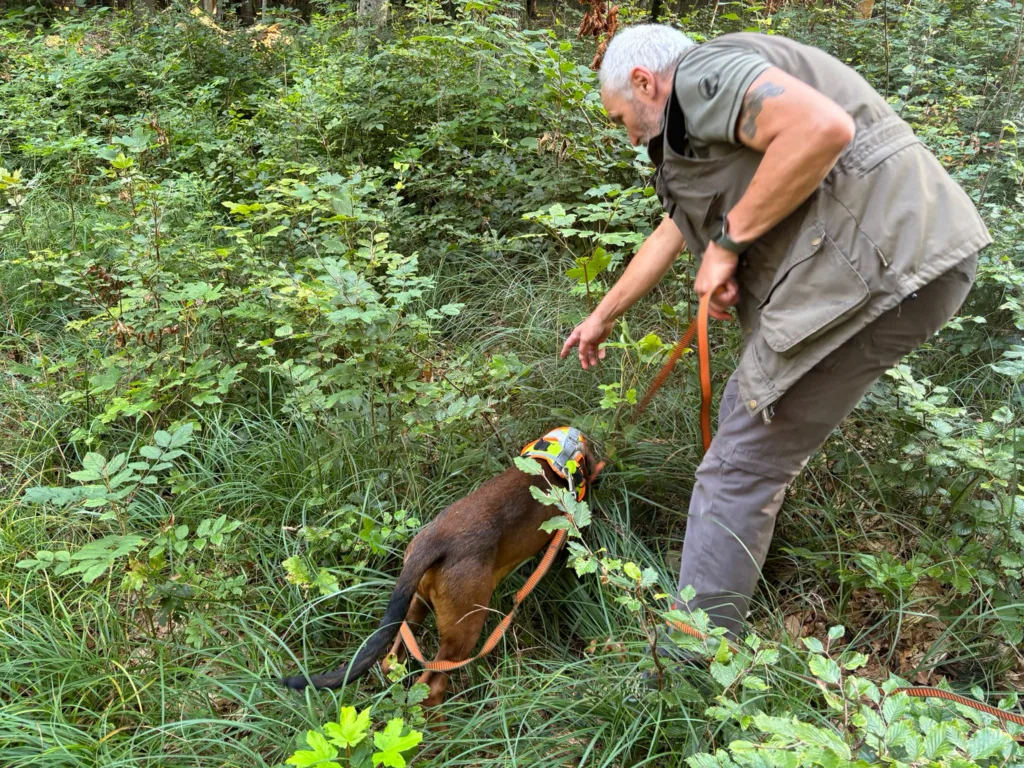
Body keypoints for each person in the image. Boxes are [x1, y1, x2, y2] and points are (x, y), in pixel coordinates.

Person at [561, 24, 990, 640]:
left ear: (643, 81)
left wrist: (727, 246)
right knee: (744, 431)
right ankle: (716, 608)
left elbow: (821, 128)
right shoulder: (698, 130)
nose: (628, 135)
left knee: (739, 465)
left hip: (879, 261)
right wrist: (602, 316)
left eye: (621, 118)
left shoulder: (702, 76)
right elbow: (673, 232)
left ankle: (695, 658)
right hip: (890, 262)